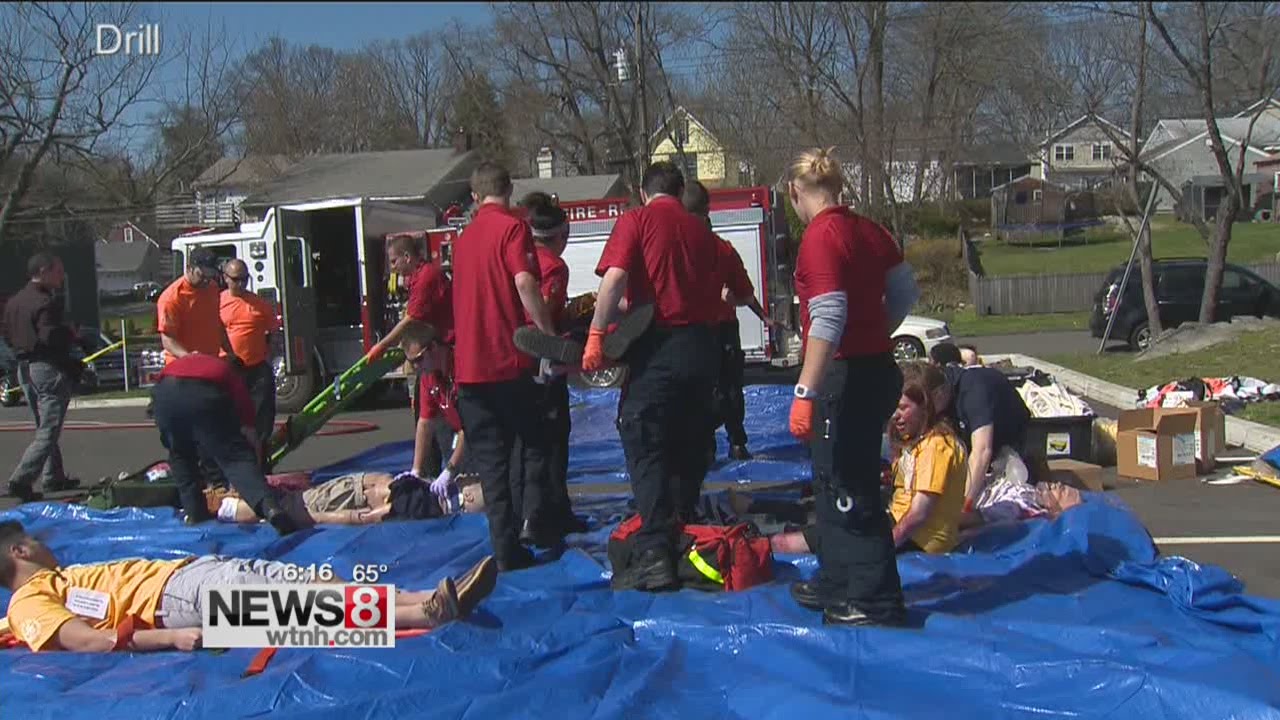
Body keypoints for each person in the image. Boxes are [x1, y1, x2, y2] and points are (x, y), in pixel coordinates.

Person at [0, 520, 498, 653]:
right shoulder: (29, 602)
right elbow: (87, 640)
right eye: (34, 542)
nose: (47, 546)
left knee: (311, 587)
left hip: (190, 576)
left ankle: (427, 596)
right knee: (298, 610)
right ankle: (427, 612)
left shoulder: (50, 585)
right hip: (174, 598)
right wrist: (168, 637)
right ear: (19, 552)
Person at [784, 147, 919, 627]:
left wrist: (805, 389)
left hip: (846, 375)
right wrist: (876, 332)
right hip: (873, 366)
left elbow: (828, 315)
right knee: (830, 479)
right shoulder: (870, 231)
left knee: (848, 486)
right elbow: (905, 291)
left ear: (796, 192)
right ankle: (837, 577)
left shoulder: (821, 237)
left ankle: (872, 597)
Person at [585, 161, 723, 592]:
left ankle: (655, 555)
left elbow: (615, 280)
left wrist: (596, 333)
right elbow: (708, 294)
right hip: (701, 349)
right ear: (680, 192)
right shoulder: (703, 232)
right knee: (689, 443)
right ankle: (685, 535)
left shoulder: (637, 220)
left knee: (645, 442)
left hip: (657, 350)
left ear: (644, 193)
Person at [450, 161, 559, 572]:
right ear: (510, 189)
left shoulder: (463, 240)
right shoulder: (512, 229)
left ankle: (504, 545)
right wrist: (547, 334)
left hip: (470, 369)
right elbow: (525, 282)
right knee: (533, 444)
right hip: (507, 361)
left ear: (475, 196)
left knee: (491, 462)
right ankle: (533, 520)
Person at [151, 352, 296, 535]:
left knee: (180, 455)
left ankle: (195, 514)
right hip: (201, 396)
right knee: (235, 459)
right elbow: (250, 435)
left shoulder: (200, 362)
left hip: (165, 396)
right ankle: (270, 509)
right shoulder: (230, 375)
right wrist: (253, 464)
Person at [682, 181, 772, 462]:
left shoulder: (676, 248)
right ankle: (735, 442)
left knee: (701, 388)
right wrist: (761, 314)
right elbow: (745, 292)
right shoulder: (723, 250)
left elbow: (743, 293)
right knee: (729, 388)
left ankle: (708, 444)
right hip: (719, 329)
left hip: (696, 329)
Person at [518, 192, 583, 540]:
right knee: (554, 437)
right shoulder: (555, 266)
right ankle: (548, 511)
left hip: (515, 357)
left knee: (524, 437)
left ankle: (527, 511)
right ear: (559, 235)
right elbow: (543, 308)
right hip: (543, 358)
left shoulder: (519, 261)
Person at [3, 252, 83, 502]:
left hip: (23, 368)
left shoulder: (15, 302)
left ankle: (52, 475)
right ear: (43, 272)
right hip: (46, 368)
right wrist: (70, 336)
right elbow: (50, 337)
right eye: (58, 271)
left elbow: (7, 336)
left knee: (43, 426)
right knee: (49, 429)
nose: (61, 276)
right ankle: (21, 479)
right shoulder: (46, 303)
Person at [928, 342, 1034, 516]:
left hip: (1009, 436)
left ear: (939, 394)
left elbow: (982, 451)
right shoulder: (942, 391)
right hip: (974, 435)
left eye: (928, 406)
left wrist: (963, 507)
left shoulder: (974, 391)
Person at [206, 469, 486, 527]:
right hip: (328, 498)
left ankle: (225, 506)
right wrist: (360, 517)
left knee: (383, 489)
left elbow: (322, 515)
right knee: (383, 491)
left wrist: (359, 517)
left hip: (326, 497)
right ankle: (225, 507)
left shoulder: (398, 494)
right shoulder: (398, 493)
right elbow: (320, 516)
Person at [219, 259, 280, 467]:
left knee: (261, 420)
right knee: (230, 420)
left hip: (257, 368)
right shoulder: (217, 303)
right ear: (226, 278)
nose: (241, 284)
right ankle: (234, 465)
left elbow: (274, 332)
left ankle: (260, 463)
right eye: (236, 279)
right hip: (229, 369)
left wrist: (270, 356)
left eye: (245, 279)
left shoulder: (259, 304)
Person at [400, 325, 469, 506]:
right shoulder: (428, 377)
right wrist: (416, 470)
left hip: (480, 437)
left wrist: (450, 470)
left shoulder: (462, 367)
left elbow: (469, 428)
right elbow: (425, 423)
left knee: (468, 497)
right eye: (411, 362)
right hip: (459, 434)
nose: (416, 367)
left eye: (419, 359)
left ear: (434, 347)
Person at [367, 234, 453, 361]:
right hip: (440, 343)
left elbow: (410, 320)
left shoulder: (425, 278)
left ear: (407, 257)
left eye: (394, 261)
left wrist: (381, 346)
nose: (392, 268)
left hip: (451, 343)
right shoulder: (416, 277)